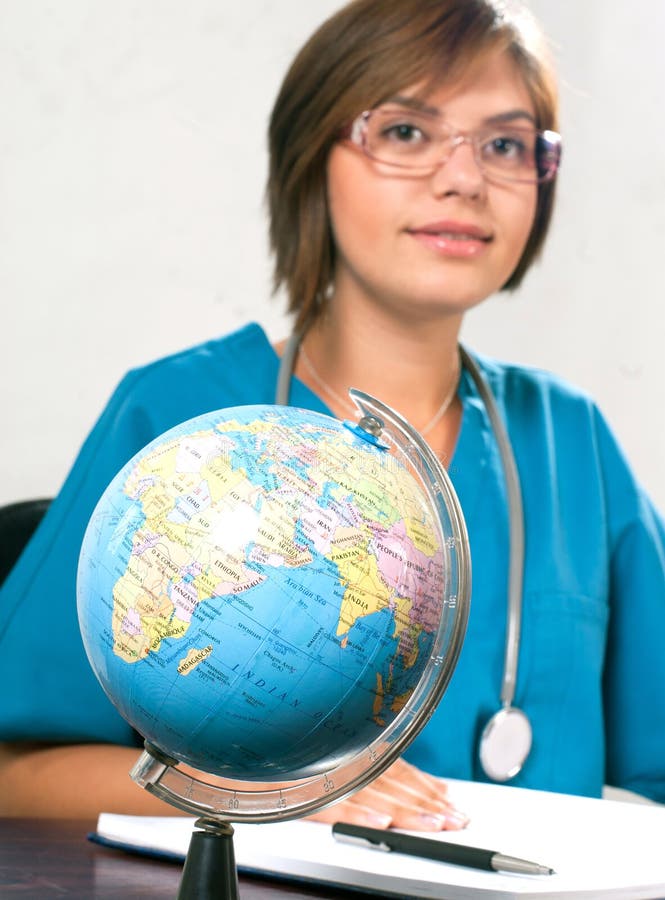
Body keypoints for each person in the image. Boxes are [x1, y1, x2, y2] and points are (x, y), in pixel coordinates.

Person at [1, 0, 664, 828]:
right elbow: (17, 772)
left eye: (503, 144)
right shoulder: (174, 412)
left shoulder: (573, 443)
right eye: (405, 132)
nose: (464, 177)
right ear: (312, 156)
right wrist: (284, 796)